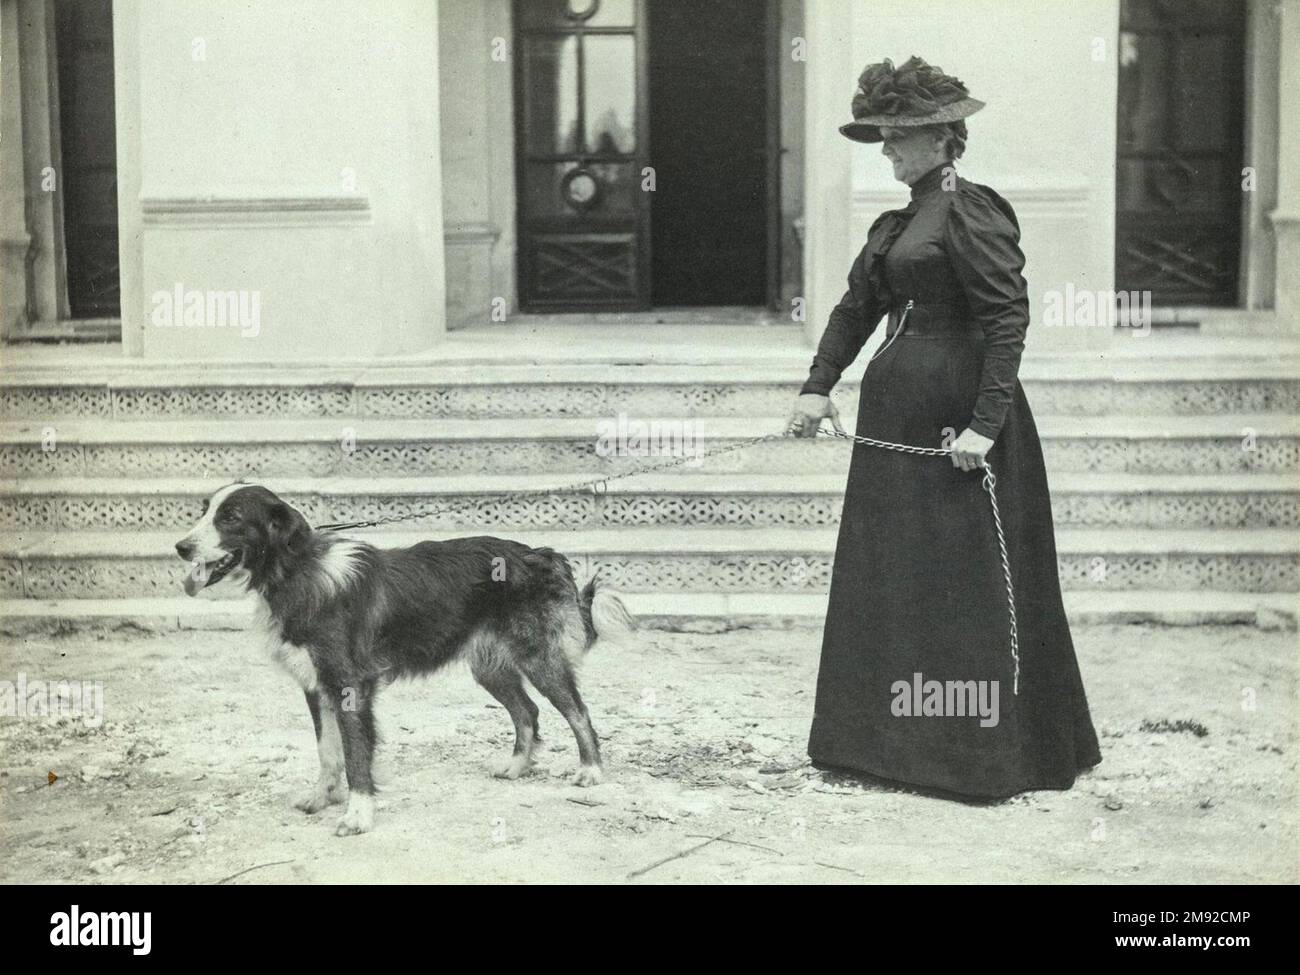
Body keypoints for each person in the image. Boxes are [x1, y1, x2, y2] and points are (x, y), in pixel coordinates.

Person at [787, 56, 1101, 798]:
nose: (888, 152)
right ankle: (888, 747)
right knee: (895, 575)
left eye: (897, 139)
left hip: (960, 429)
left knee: (962, 585)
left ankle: (972, 757)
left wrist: (984, 428)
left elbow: (1005, 320)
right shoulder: (897, 221)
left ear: (940, 140)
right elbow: (855, 309)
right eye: (885, 139)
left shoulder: (971, 210)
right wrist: (815, 387)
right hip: (895, 420)